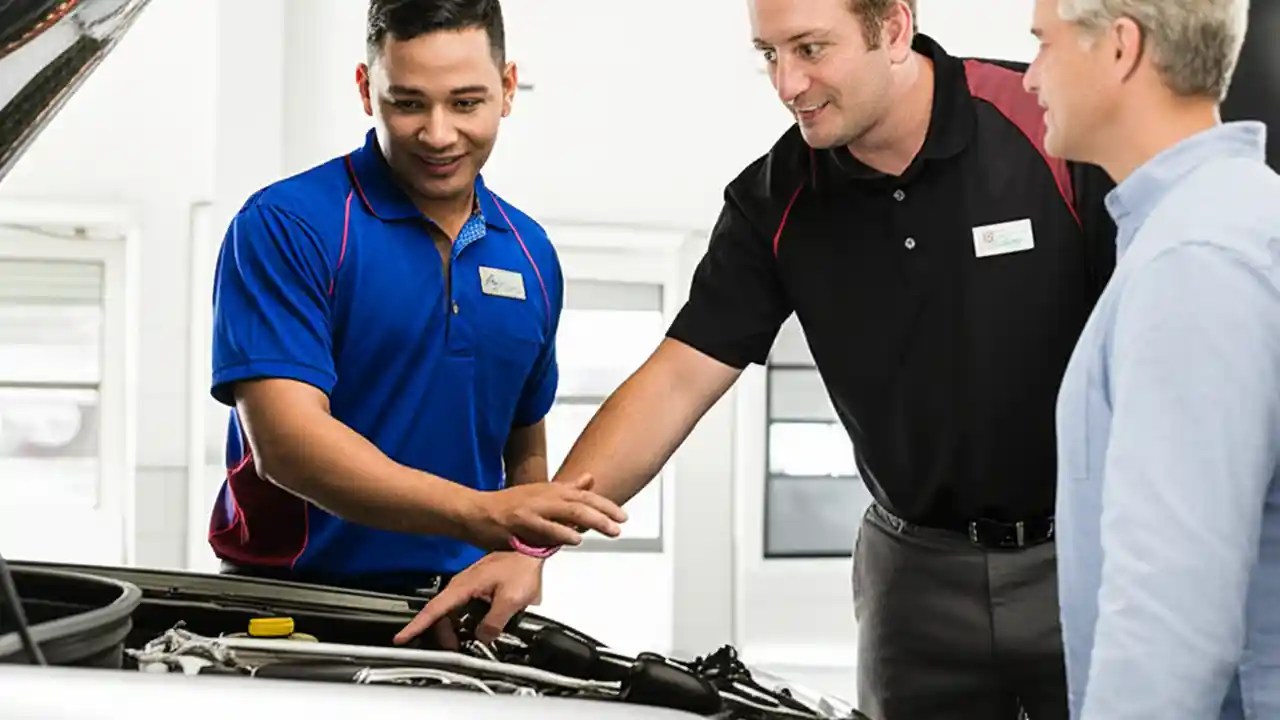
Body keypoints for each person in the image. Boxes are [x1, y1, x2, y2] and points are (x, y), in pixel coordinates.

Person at [395, 0, 1119, 716]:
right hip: (915, 577)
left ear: (894, 28)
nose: (787, 84)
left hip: (1088, 555)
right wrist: (529, 547)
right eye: (768, 54)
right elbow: (676, 382)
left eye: (810, 49)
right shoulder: (773, 200)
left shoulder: (1049, 126)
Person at [206, 0, 627, 597]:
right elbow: (286, 445)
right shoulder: (287, 225)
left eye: (465, 102)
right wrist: (483, 515)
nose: (438, 134)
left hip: (464, 603)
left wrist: (525, 554)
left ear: (507, 89)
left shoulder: (530, 253)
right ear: (364, 87)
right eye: (406, 103)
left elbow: (522, 441)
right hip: (296, 605)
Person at [1024, 0, 1280, 717]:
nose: (1033, 77)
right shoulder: (1216, 225)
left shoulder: (1198, 259)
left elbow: (1172, 619)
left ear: (1120, 48)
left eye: (1044, 45)